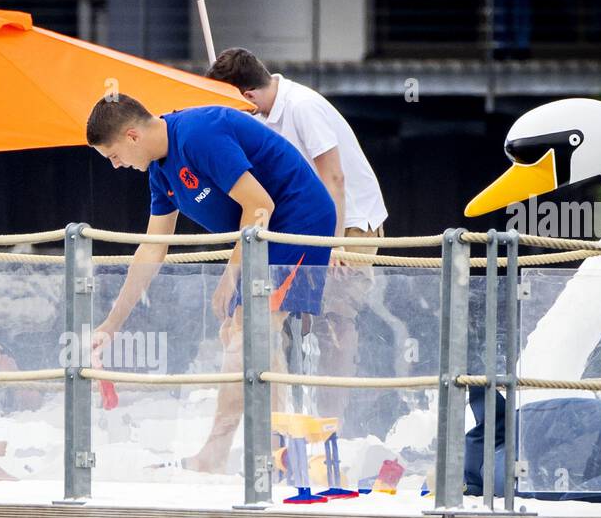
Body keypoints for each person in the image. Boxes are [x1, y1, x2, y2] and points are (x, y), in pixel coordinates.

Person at [85, 94, 337, 473]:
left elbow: (259, 206)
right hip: (260, 233)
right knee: (235, 336)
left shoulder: (199, 134)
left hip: (298, 217)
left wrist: (229, 275)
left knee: (252, 331)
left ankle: (266, 451)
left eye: (114, 156)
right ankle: (247, 450)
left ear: (132, 136)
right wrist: (111, 324)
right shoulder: (159, 171)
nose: (118, 166)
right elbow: (152, 251)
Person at [206, 48, 388, 425]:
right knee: (274, 319)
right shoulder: (254, 119)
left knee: (333, 318)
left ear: (248, 95)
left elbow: (333, 177)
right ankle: (283, 424)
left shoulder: (303, 107)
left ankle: (329, 424)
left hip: (347, 221)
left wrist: (333, 244)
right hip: (297, 223)